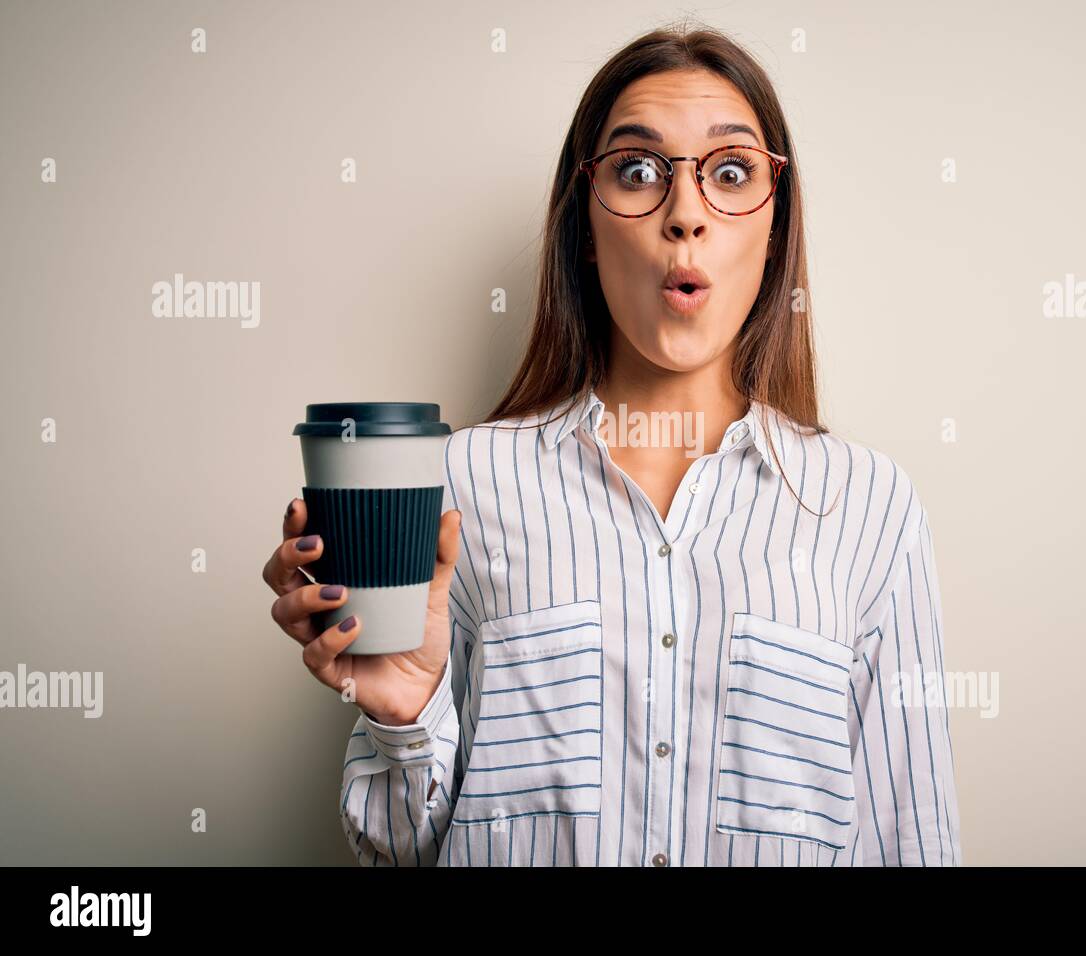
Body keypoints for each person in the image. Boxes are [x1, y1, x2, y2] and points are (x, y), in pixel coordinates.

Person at [263, 24, 961, 867]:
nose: (686, 216)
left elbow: (910, 845)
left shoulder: (871, 508)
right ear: (584, 225)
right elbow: (404, 851)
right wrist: (403, 711)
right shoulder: (459, 485)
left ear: (774, 225)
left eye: (731, 172)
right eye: (637, 170)